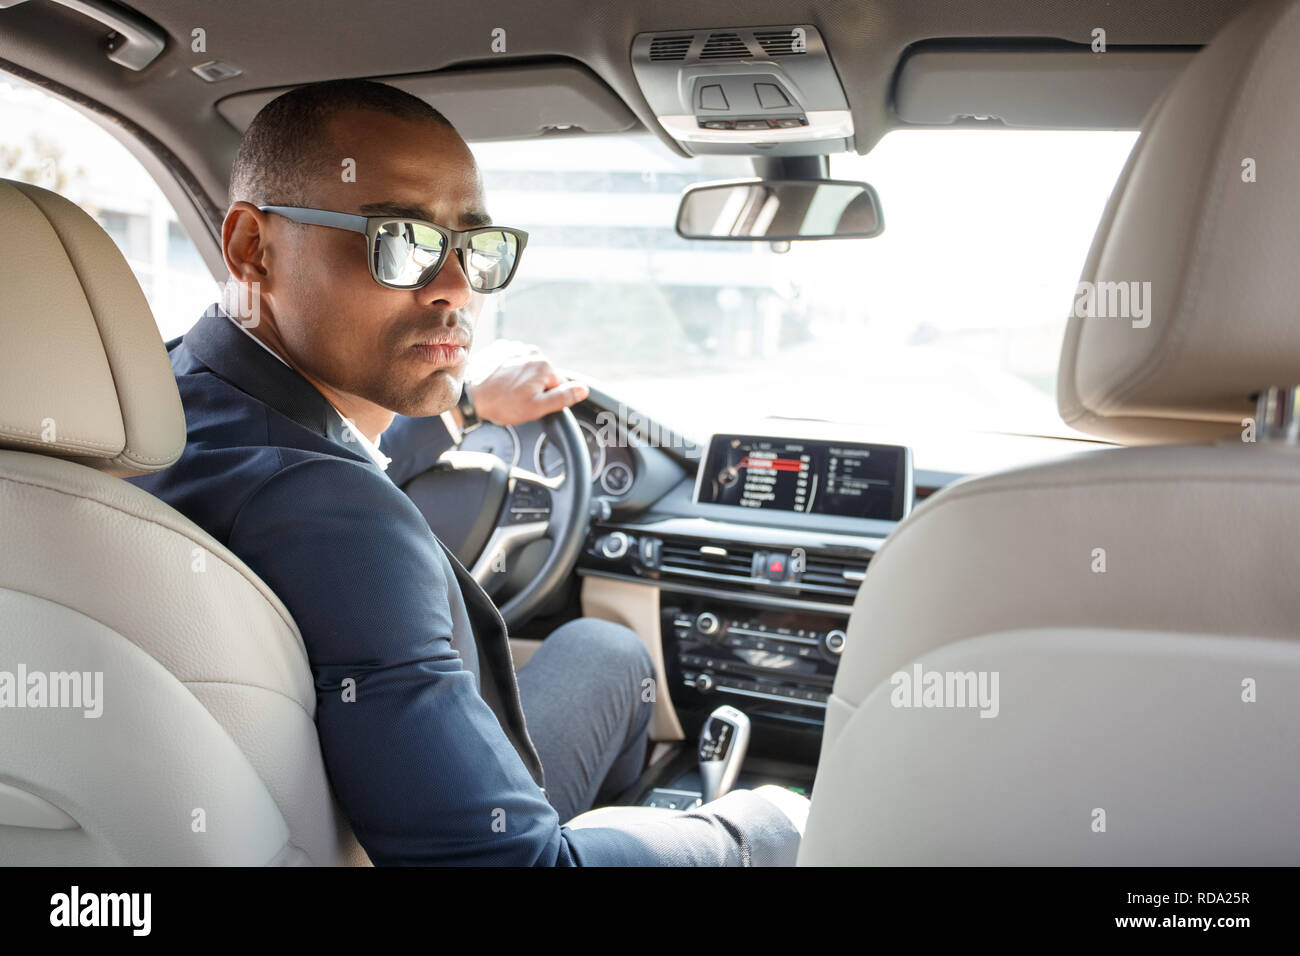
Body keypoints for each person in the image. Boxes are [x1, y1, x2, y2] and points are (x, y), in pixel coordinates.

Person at [126, 78, 808, 865]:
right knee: (629, 672)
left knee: (607, 652)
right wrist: (762, 829)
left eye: (475, 248)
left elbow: (323, 446)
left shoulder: (157, 398)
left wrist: (466, 409)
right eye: (399, 239)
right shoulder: (339, 518)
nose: (455, 288)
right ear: (252, 247)